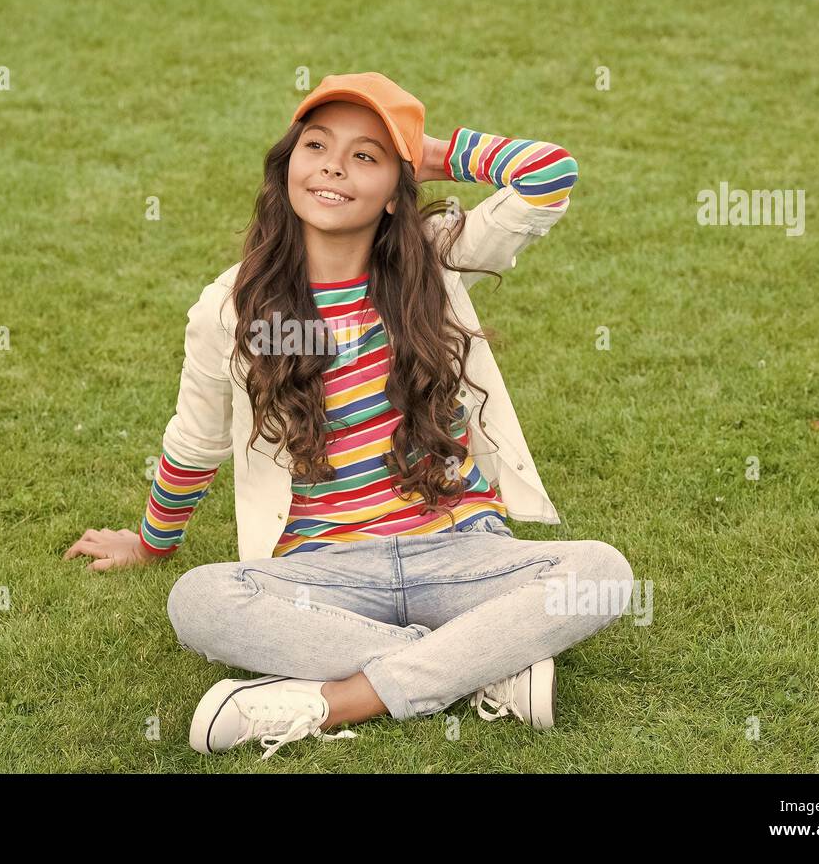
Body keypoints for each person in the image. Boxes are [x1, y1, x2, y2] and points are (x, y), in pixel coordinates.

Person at [64, 72, 635, 760]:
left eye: (365, 155)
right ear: (288, 167)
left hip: (460, 549)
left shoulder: (436, 257)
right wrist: (151, 543)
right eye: (316, 145)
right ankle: (480, 665)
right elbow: (195, 442)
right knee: (198, 599)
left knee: (602, 573)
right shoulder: (229, 306)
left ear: (396, 192)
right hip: (325, 575)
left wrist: (430, 151)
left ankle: (335, 701)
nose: (333, 164)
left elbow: (549, 175)